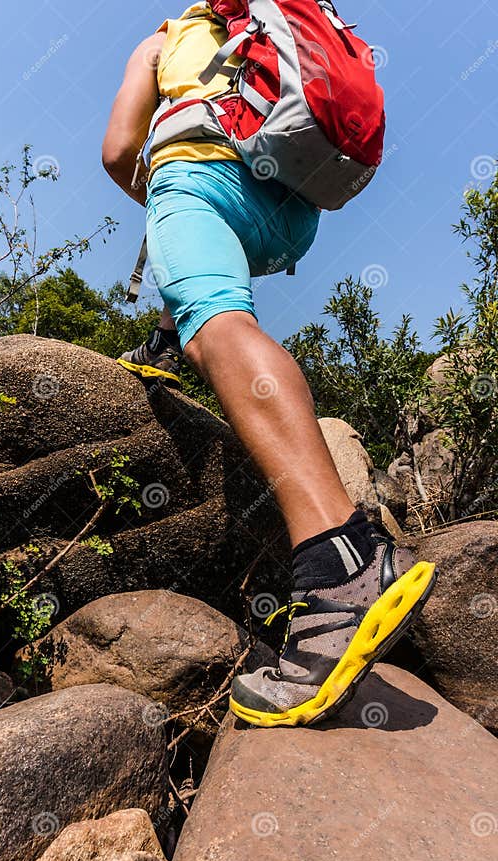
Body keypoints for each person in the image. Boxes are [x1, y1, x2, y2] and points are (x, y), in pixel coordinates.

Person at [102, 3, 436, 727]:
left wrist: (167, 190)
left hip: (204, 167)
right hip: (293, 207)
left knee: (218, 321)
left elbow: (117, 147)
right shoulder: (260, 23)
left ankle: (339, 561)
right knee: (202, 302)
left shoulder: (167, 35)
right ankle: (164, 338)